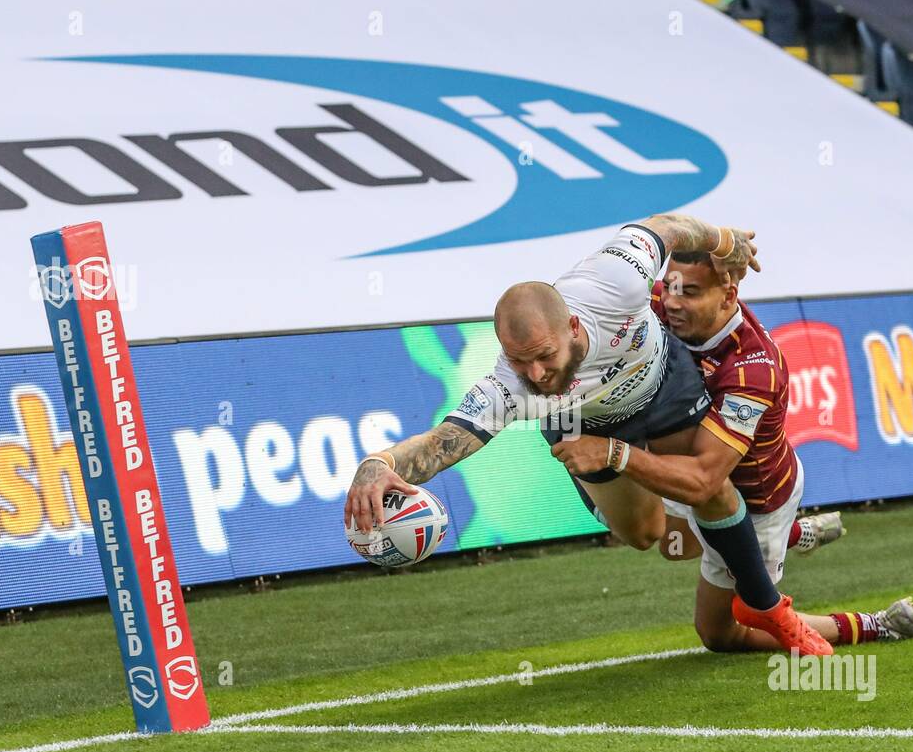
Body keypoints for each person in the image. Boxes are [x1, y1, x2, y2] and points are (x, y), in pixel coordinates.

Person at [343, 213, 832, 654]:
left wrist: (725, 239)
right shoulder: (511, 389)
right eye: (518, 361)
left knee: (709, 488)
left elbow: (666, 227)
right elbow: (440, 443)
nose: (534, 374)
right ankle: (777, 537)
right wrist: (378, 465)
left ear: (573, 326)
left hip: (662, 384)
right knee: (649, 535)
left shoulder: (614, 281)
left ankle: (767, 606)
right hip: (582, 422)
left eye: (543, 356)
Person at [551, 251, 913, 650]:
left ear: (729, 295)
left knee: (721, 634)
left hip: (752, 499)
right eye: (670, 286)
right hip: (686, 472)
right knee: (674, 544)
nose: (671, 301)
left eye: (689, 292)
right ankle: (801, 533)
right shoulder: (661, 305)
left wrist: (611, 452)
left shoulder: (752, 368)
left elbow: (706, 481)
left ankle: (877, 623)